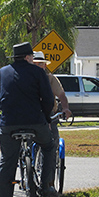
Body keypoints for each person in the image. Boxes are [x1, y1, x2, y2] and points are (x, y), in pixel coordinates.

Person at [0, 42, 56, 197]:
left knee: (7, 161)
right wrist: (46, 116)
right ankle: (44, 187)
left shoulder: (2, 73)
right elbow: (48, 99)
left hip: (9, 123)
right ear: (28, 57)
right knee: (49, 146)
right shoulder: (38, 72)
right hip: (35, 122)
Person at [32, 51, 72, 187]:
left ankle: (49, 183)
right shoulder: (26, 77)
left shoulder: (50, 79)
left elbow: (61, 95)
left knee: (52, 144)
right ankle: (26, 170)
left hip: (49, 115)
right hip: (32, 116)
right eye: (36, 64)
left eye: (41, 64)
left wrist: (65, 108)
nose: (39, 66)